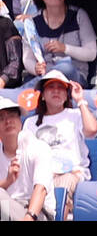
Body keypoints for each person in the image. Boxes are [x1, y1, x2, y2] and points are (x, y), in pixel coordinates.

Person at [22, 73, 97, 206]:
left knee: (60, 190)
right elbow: (24, 154)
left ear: (66, 94)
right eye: (51, 87)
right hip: (40, 176)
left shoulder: (76, 115)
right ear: (43, 95)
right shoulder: (30, 123)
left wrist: (80, 100)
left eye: (61, 87)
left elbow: (92, 130)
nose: (56, 90)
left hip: (70, 174)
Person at [21, 0, 97, 85]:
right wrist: (35, 68)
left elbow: (91, 53)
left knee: (65, 68)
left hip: (74, 77)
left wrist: (65, 48)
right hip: (43, 77)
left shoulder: (79, 15)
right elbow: (27, 58)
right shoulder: (32, 22)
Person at [0, 94, 54, 222]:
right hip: (7, 209)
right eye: (1, 118)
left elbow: (41, 189)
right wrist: (7, 182)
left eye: (12, 116)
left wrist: (29, 217)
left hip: (38, 212)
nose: (8, 121)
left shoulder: (38, 147)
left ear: (20, 121)